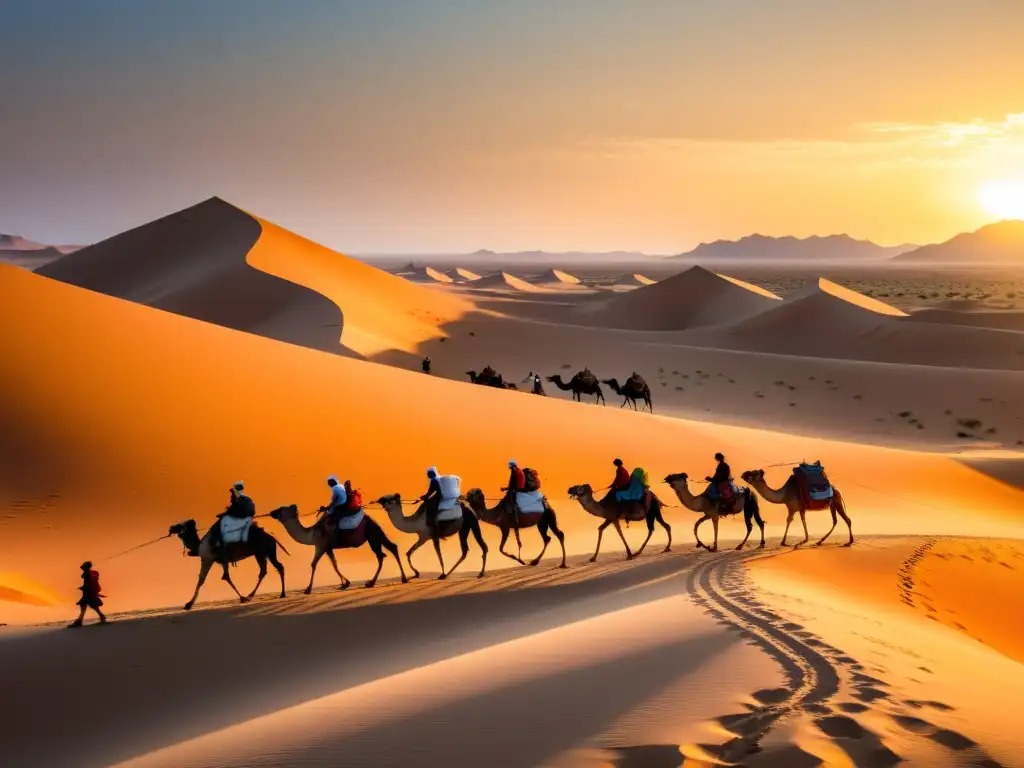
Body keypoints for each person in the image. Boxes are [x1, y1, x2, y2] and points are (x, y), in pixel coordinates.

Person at [210, 481, 255, 556]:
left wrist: (225, 514)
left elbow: (234, 508)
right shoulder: (245, 497)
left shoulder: (239, 497)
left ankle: (224, 549)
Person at [69, 561, 107, 628]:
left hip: (88, 593)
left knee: (90, 606)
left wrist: (83, 587)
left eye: (84, 566)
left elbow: (88, 583)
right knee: (87, 606)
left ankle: (80, 621)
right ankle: (80, 620)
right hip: (88, 593)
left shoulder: (87, 574)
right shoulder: (90, 573)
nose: (82, 567)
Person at [420, 467, 443, 536]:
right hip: (440, 495)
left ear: (431, 474)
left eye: (428, 474)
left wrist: (424, 497)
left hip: (440, 496)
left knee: (431, 511)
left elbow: (430, 491)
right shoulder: (437, 479)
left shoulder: (434, 480)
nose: (427, 475)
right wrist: (425, 496)